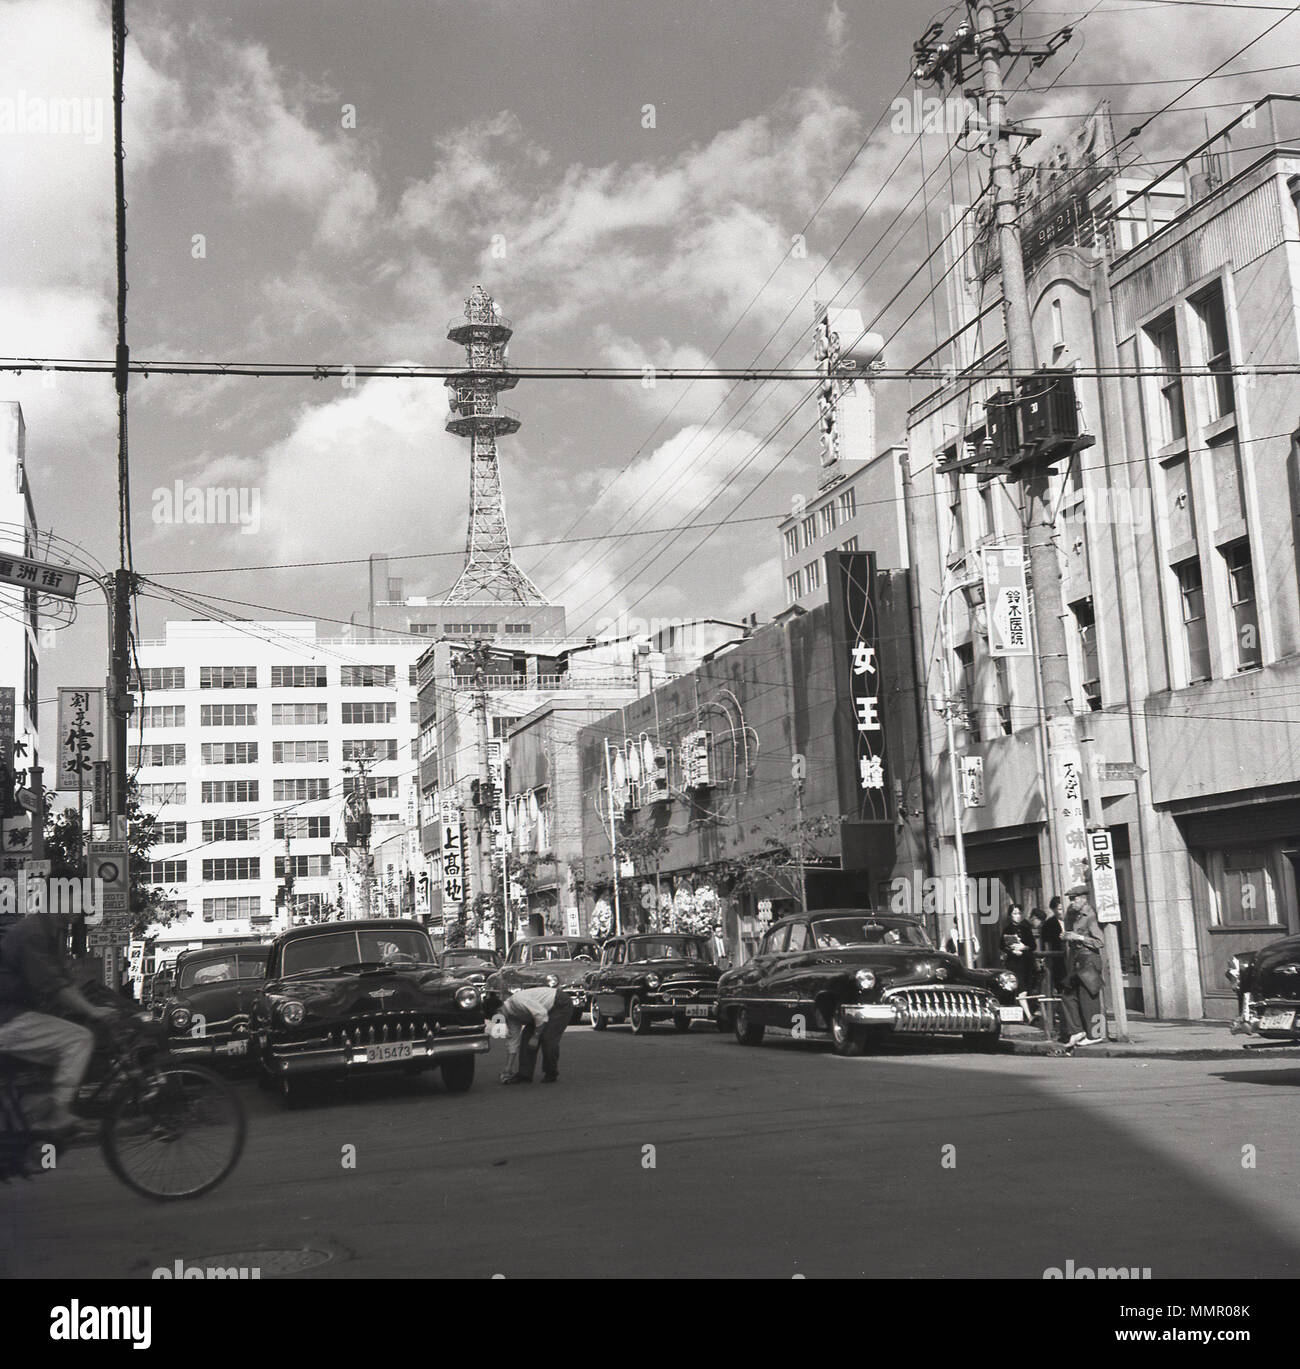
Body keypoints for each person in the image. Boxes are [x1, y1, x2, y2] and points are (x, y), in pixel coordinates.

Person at [0, 914, 119, 1133]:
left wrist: (89, 1006)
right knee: (79, 1039)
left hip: (15, 1015)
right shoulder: (33, 932)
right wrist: (92, 1011)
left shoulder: (48, 932)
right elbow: (57, 986)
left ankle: (40, 1110)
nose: (79, 911)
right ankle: (59, 1111)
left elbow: (64, 981)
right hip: (8, 1018)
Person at [499, 982, 574, 1084]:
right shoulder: (510, 1017)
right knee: (526, 1038)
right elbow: (513, 1041)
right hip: (540, 1010)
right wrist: (508, 1068)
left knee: (548, 1038)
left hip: (559, 1003)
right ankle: (525, 1075)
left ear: (499, 1009)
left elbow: (541, 1015)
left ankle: (551, 1072)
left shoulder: (517, 1002)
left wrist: (536, 1036)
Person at [1059, 883, 1105, 1047]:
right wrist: (1067, 936)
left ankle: (1095, 1035)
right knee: (1067, 994)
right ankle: (1077, 1031)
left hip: (1089, 959)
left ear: (1084, 898)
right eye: (1071, 899)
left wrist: (1078, 938)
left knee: (1089, 998)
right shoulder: (1073, 914)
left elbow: (1100, 942)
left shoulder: (1090, 915)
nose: (1072, 902)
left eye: (1074, 899)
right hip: (1076, 959)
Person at [999, 904, 1036, 1023]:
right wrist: (1011, 951)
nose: (1017, 916)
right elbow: (1002, 946)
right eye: (1015, 913)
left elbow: (1033, 945)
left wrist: (1024, 947)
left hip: (1025, 962)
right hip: (1013, 963)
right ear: (1010, 915)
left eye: (1019, 913)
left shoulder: (1026, 929)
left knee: (1026, 988)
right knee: (1020, 989)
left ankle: (1024, 1015)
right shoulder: (1007, 929)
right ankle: (1029, 1016)